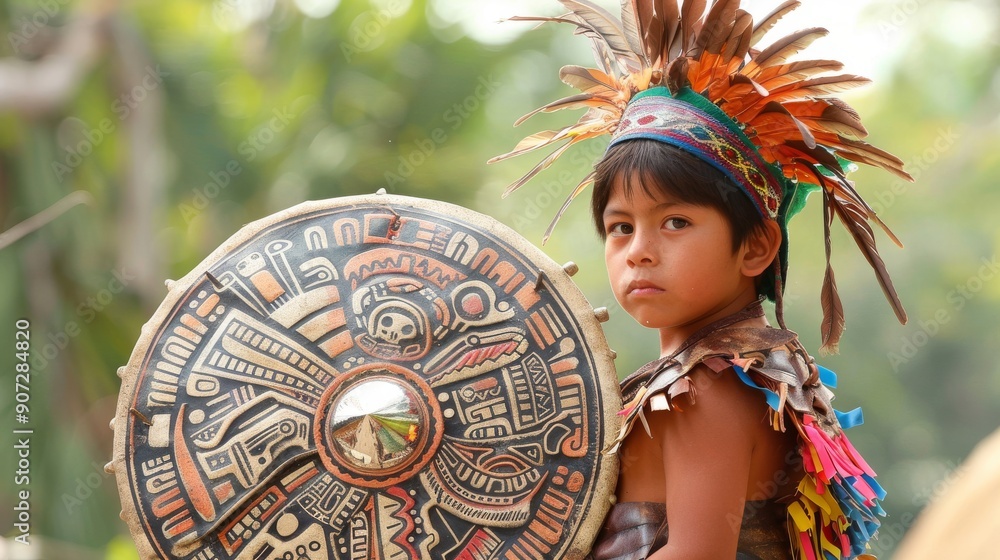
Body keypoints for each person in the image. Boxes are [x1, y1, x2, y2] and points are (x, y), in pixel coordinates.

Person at [490, 1, 913, 559]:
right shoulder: (745, 375)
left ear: (756, 245)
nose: (639, 251)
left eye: (676, 222)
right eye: (620, 227)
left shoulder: (704, 390)